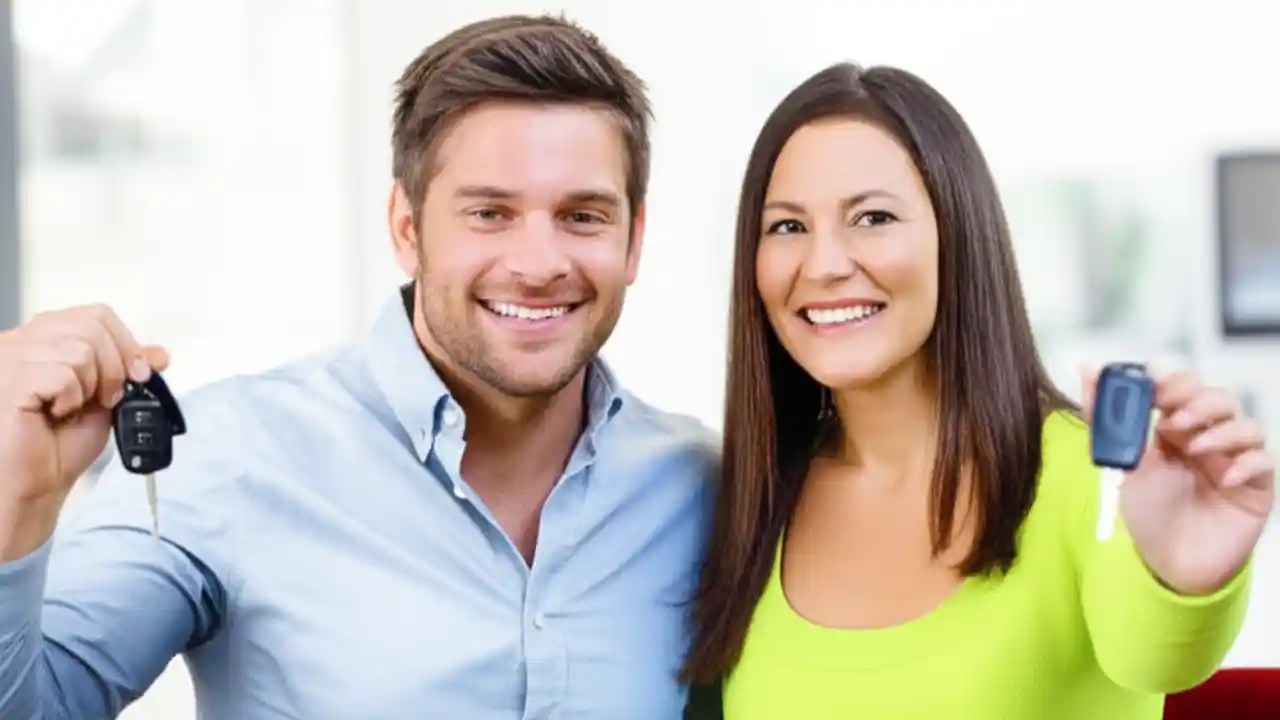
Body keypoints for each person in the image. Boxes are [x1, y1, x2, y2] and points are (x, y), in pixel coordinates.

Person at [0, 14, 717, 719]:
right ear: (407, 229)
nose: (538, 265)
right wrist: (16, 506)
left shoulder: (704, 487)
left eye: (582, 216)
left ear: (633, 241)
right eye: (489, 214)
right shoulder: (225, 458)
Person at [680, 62, 1274, 719]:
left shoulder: (1091, 475)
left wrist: (1184, 575)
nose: (823, 264)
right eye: (788, 227)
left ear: (955, 236)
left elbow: (1156, 660)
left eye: (873, 218)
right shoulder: (748, 498)